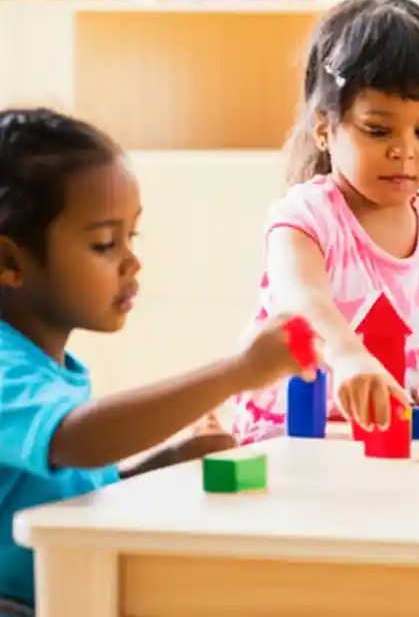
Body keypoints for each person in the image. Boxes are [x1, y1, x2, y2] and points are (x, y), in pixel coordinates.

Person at [0, 108, 317, 614]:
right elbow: (73, 440)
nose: (132, 261)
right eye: (104, 243)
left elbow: (71, 488)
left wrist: (165, 462)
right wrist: (240, 370)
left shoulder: (46, 366)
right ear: (10, 263)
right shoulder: (5, 367)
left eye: (133, 237)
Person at [228, 0, 419, 444]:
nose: (405, 150)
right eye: (378, 129)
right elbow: (304, 306)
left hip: (391, 439)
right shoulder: (305, 219)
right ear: (323, 127)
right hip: (293, 439)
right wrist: (350, 355)